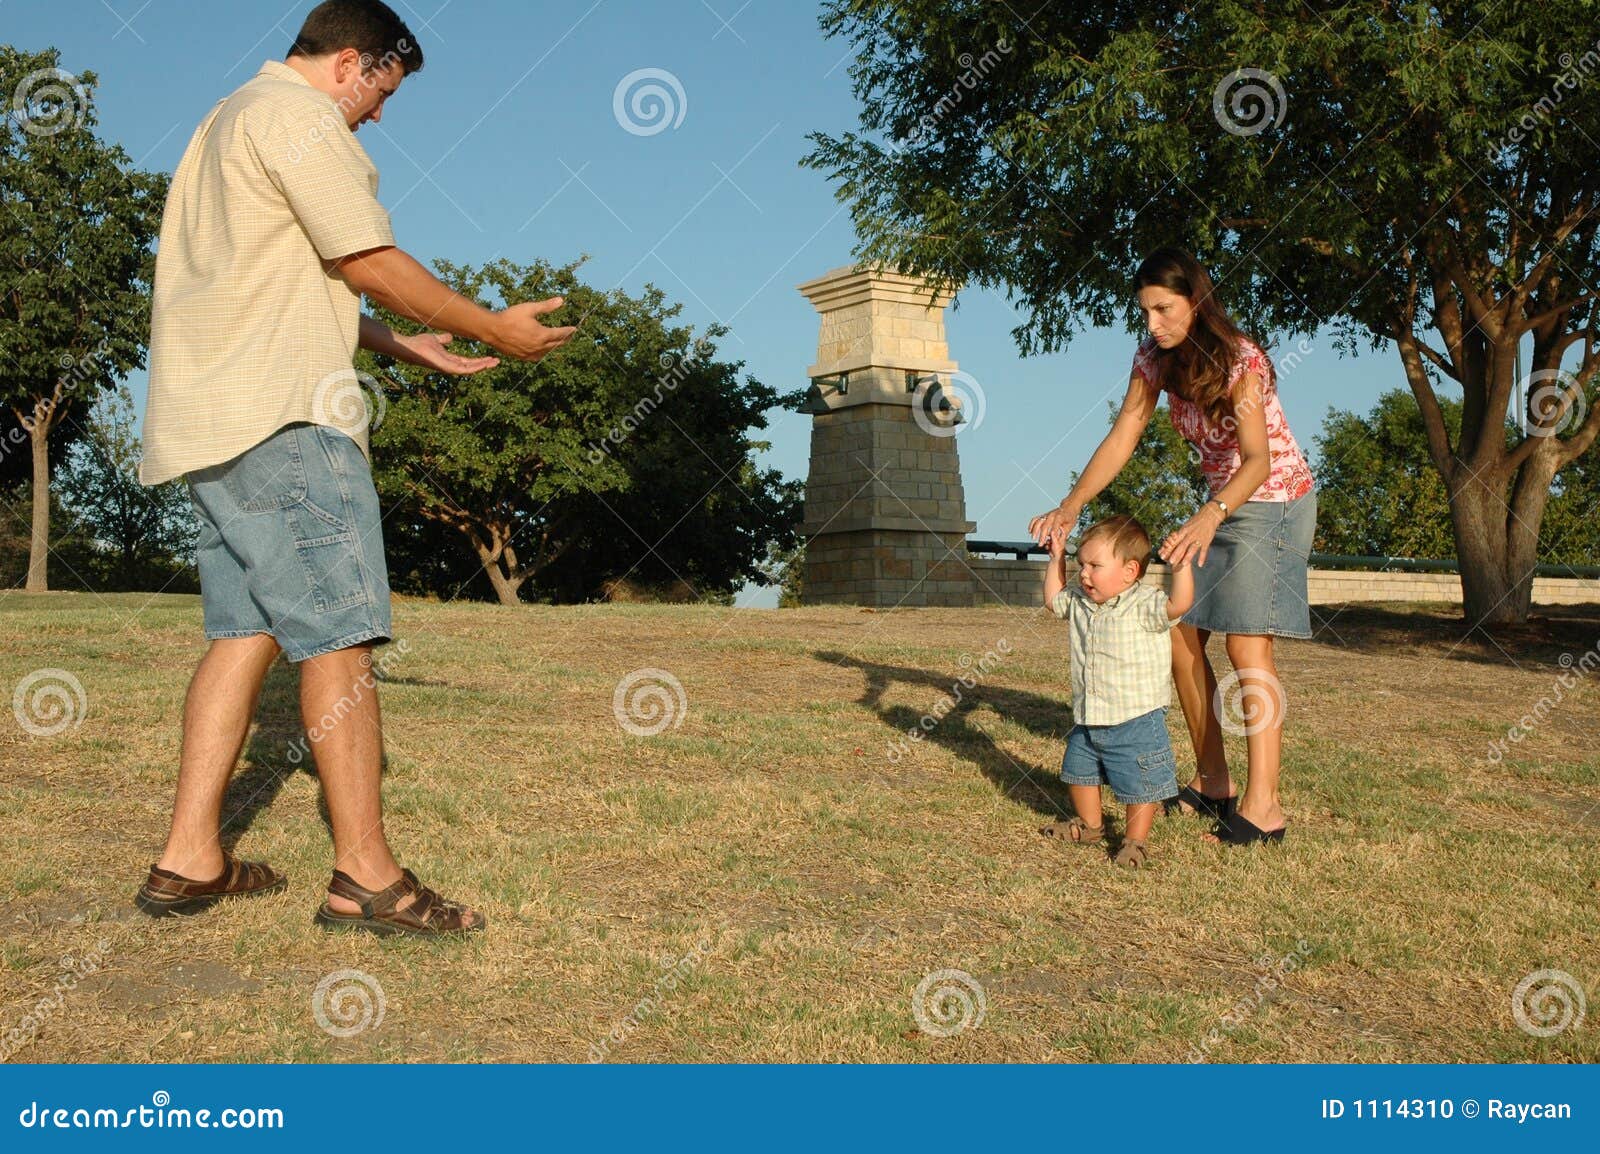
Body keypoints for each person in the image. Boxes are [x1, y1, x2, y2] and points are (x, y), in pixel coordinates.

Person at [134, 0, 576, 936]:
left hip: (214, 418)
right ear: (352, 61)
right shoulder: (299, 119)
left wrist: (406, 347)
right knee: (340, 636)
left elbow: (285, 280)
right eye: (384, 90)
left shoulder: (225, 121)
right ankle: (367, 877)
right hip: (287, 416)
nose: (380, 114)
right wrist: (489, 323)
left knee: (245, 633)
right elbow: (368, 258)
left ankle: (189, 858)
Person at [1029, 247, 1316, 846]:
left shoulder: (1240, 358)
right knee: (1180, 634)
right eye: (1146, 312)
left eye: (1164, 309)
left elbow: (1259, 460)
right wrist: (1072, 503)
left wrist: (1209, 517)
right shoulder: (1152, 358)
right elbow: (1125, 432)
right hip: (1220, 503)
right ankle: (1215, 783)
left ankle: (1265, 808)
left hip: (1274, 498)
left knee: (1247, 646)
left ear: (1197, 301)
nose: (1154, 323)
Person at [1039, 515, 1193, 868]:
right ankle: (1091, 825)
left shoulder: (1145, 603)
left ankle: (1135, 841)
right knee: (1079, 773)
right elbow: (1052, 600)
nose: (1085, 574)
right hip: (1090, 714)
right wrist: (1056, 558)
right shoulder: (1079, 600)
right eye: (1081, 565)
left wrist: (1181, 567)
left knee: (1139, 784)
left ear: (1129, 571)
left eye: (1095, 565)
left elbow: (1180, 604)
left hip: (1136, 718)